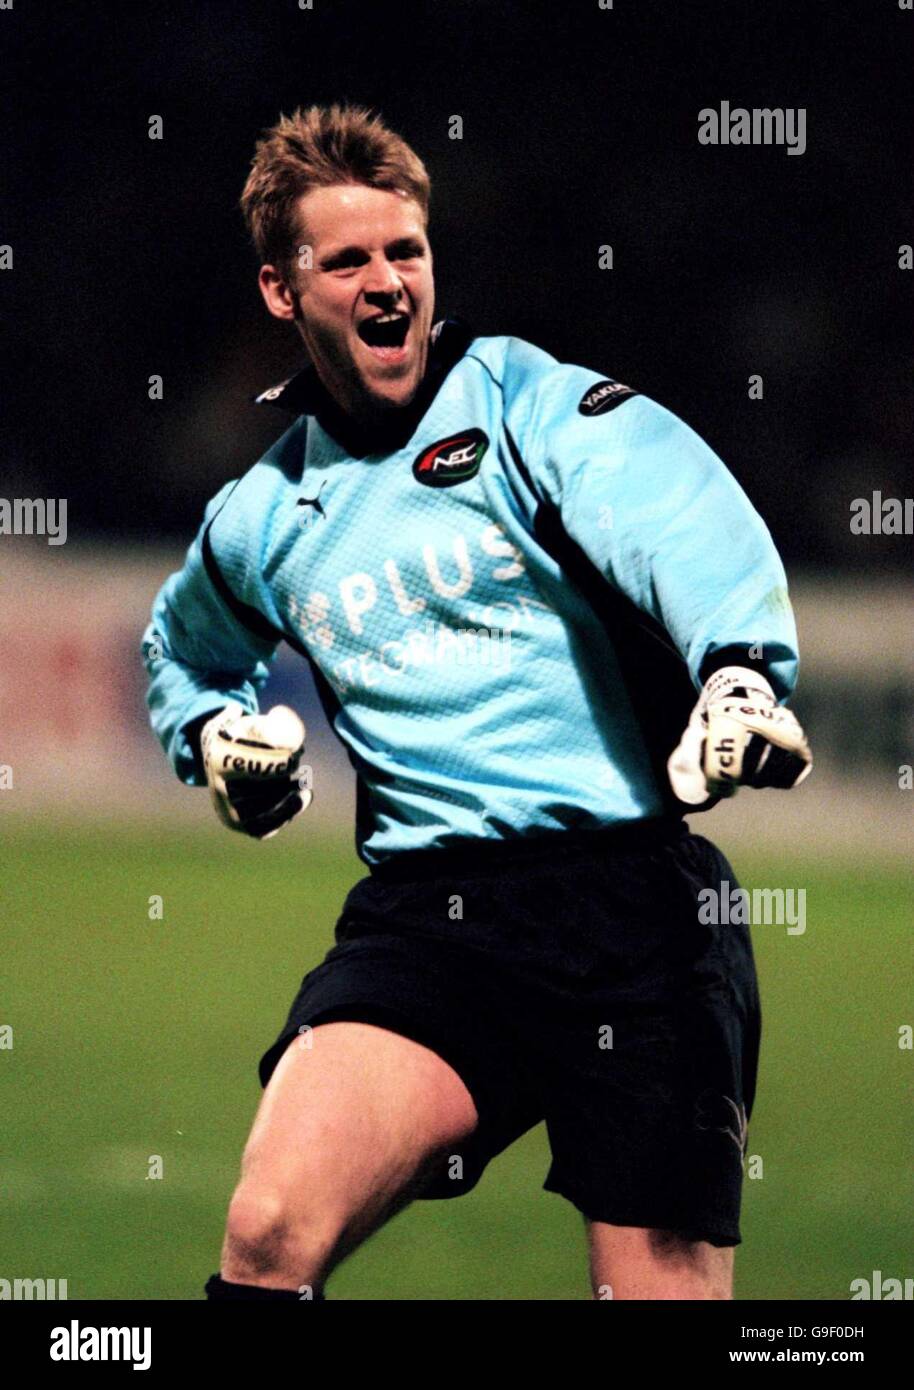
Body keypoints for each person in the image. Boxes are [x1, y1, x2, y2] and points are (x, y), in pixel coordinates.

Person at [142, 104, 812, 1301]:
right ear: (281, 293)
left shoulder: (524, 405)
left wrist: (739, 668)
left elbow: (677, 514)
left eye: (404, 250)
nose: (386, 279)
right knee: (266, 1229)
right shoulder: (262, 514)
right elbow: (182, 650)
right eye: (346, 260)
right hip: (432, 925)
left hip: (635, 915)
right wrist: (212, 738)